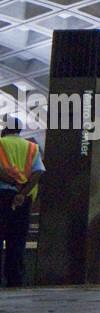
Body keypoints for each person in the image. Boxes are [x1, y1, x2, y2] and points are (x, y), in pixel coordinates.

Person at [0, 121, 43, 288]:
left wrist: (14, 184)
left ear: (5, 128)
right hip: (23, 201)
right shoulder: (32, 148)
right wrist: (22, 192)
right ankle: (15, 281)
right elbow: (38, 171)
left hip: (2, 196)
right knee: (17, 241)